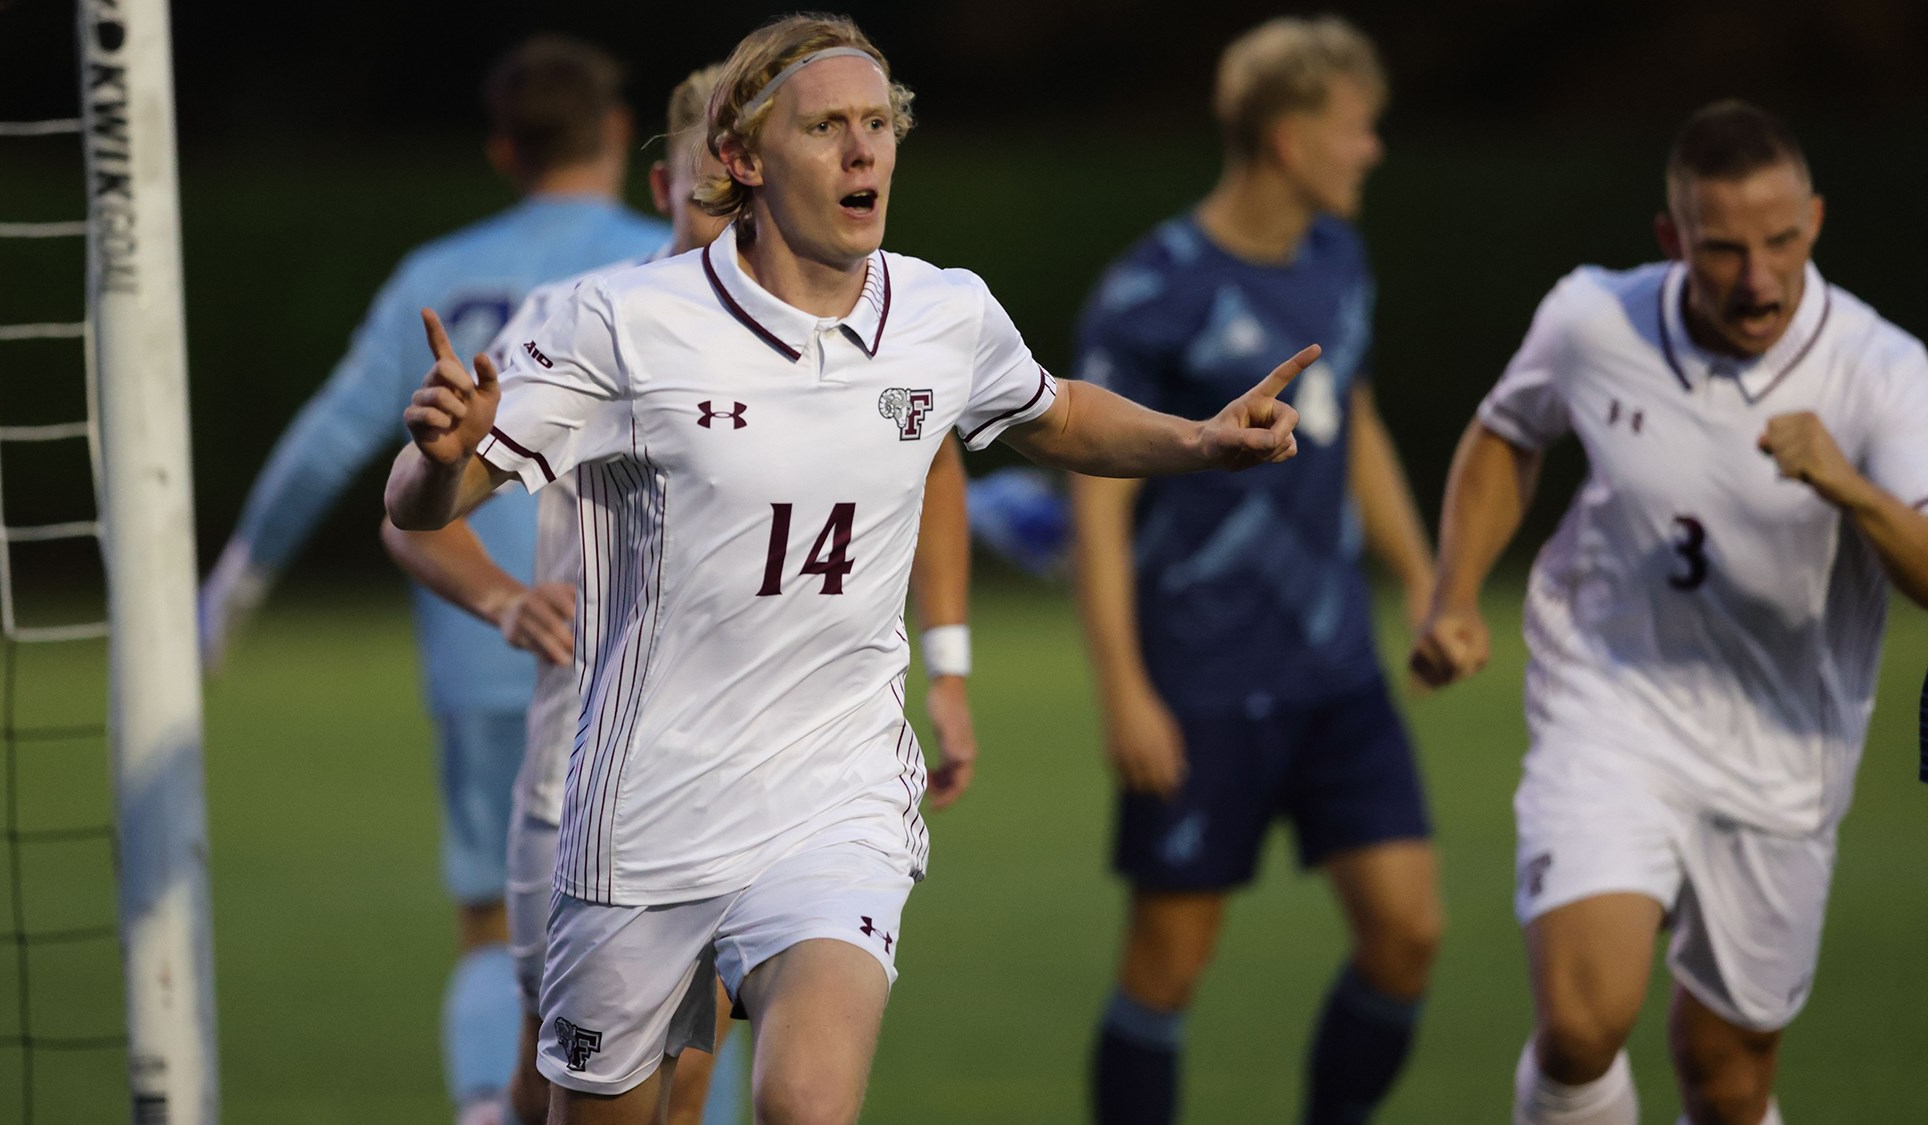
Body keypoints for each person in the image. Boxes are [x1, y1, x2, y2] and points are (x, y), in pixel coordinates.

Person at [385, 14, 1314, 1124]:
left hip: (834, 799)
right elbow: (419, 506)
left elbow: (1052, 415)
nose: (863, 150)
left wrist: (1197, 441)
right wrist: (436, 463)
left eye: (878, 124)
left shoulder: (941, 312)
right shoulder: (623, 323)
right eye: (825, 127)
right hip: (644, 818)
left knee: (805, 1105)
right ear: (741, 159)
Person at [379, 64, 979, 1125]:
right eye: (712, 183)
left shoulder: (844, 330)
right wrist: (506, 601)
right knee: (554, 1088)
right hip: (589, 785)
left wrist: (946, 661)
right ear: (677, 180)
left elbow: (931, 453)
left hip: (774, 791)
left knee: (708, 1081)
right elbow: (411, 507)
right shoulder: (598, 324)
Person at [1411, 100, 1928, 1125]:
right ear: (1670, 238)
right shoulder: (1590, 320)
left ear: (1814, 221)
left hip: (1784, 750)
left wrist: (1850, 488)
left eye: (1779, 242)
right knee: (1577, 1024)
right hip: (1610, 702)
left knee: (1725, 1079)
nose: (1756, 277)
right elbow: (1505, 433)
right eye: (1723, 248)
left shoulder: (1882, 372)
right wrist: (1453, 594)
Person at [197, 36, 666, 1124]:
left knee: (488, 923)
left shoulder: (436, 278)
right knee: (686, 927)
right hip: (634, 642)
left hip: (485, 631)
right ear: (612, 133)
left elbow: (327, 442)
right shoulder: (669, 268)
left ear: (503, 149)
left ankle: (482, 1107)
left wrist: (234, 588)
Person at [1070, 17, 1442, 1124]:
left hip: (1335, 670)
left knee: (1407, 934)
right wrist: (1124, 689)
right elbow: (1094, 511)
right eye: (1353, 130)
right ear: (1287, 140)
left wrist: (1422, 581)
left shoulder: (1337, 257)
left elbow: (1355, 421)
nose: (1369, 150)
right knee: (1167, 966)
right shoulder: (1153, 292)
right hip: (1199, 681)